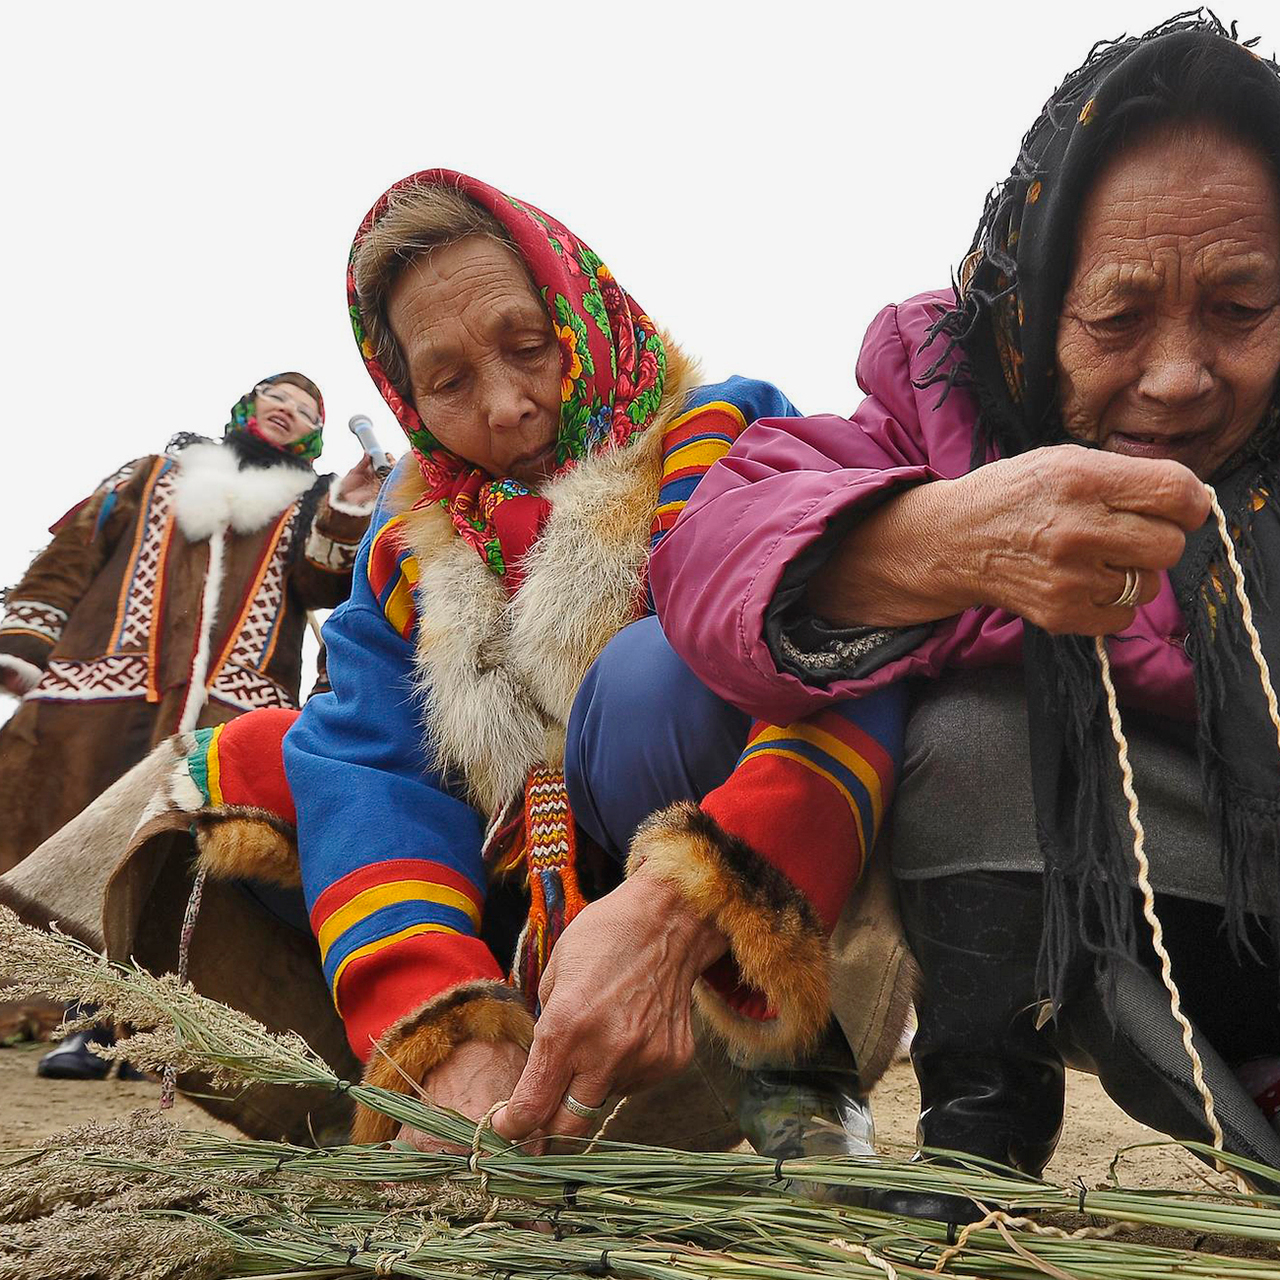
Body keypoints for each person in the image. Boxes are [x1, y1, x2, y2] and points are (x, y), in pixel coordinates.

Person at [650, 13, 1280, 1219]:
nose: (1176, 375)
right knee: (974, 723)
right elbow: (708, 548)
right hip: (1067, 880)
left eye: (1242, 306)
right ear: (1029, 299)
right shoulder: (946, 404)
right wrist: (938, 540)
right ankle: (975, 1141)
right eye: (1115, 313)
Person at [0, 372, 379, 1077]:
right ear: (246, 408)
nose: (286, 410)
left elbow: (327, 586)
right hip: (100, 700)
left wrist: (348, 507)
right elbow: (71, 553)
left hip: (228, 712)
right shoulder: (149, 476)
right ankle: (43, 1010)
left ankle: (124, 1028)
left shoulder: (304, 508)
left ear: (313, 437)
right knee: (55, 841)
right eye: (276, 398)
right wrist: (24, 644)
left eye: (304, 411)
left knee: (177, 863)